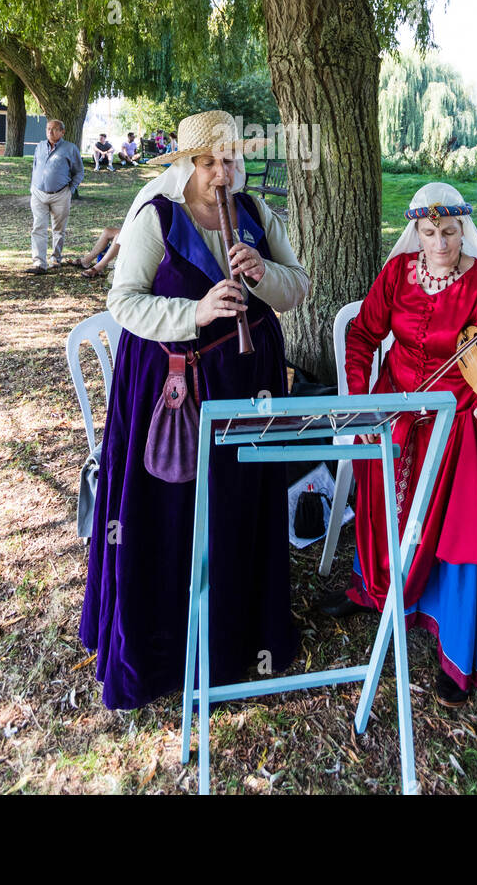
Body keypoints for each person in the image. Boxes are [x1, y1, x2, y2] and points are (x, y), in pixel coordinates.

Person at [79, 109, 309, 710]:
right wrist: (196, 312)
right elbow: (124, 304)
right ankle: (166, 649)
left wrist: (263, 276)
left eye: (228, 160)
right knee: (173, 510)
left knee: (238, 503)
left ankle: (238, 639)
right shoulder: (156, 217)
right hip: (171, 389)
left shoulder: (256, 215)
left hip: (248, 383)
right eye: (208, 163)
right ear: (185, 163)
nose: (220, 174)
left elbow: (298, 287)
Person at [319, 182, 477, 709]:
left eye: (449, 233)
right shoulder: (396, 274)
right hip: (395, 407)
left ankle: (455, 643)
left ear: (464, 230)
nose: (438, 244)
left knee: (461, 510)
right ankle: (377, 589)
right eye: (428, 233)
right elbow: (362, 334)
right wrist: (363, 397)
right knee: (381, 493)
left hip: (457, 417)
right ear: (416, 231)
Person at [27, 119, 84, 274]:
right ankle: (39, 263)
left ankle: (56, 258)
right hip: (38, 193)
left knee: (58, 229)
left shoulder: (70, 149)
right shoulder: (39, 146)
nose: (50, 132)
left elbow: (79, 172)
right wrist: (33, 186)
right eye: (48, 129)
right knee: (38, 227)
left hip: (60, 194)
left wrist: (70, 190)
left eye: (54, 129)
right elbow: (35, 166)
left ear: (62, 131)